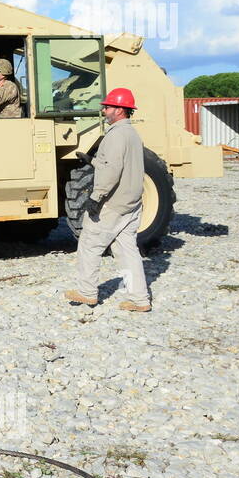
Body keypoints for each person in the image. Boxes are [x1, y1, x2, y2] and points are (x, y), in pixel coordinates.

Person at [65, 88, 151, 312]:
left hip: (112, 204)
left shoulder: (115, 135)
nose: (104, 110)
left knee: (89, 244)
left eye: (108, 107)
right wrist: (92, 161)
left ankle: (86, 292)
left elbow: (112, 170)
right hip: (131, 204)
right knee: (127, 250)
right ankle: (139, 299)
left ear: (120, 110)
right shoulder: (132, 134)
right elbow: (120, 165)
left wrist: (96, 197)